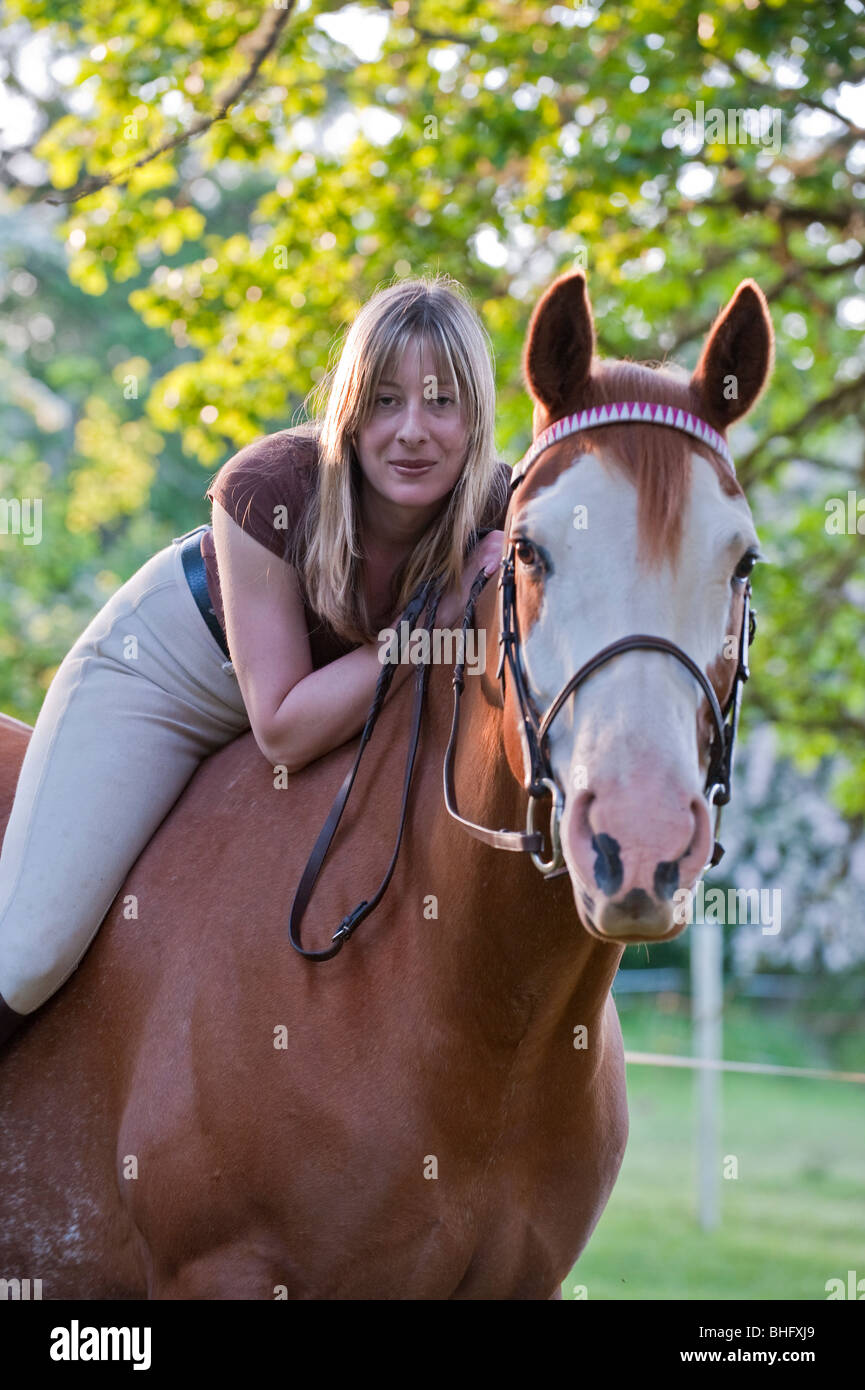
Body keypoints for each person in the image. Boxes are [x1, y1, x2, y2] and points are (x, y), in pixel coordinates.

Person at [0, 275, 510, 1049]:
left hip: (346, 705)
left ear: (475, 416)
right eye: (384, 400)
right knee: (30, 954)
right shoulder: (270, 484)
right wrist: (434, 617)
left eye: (441, 401)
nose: (412, 430)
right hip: (172, 678)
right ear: (348, 410)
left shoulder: (496, 512)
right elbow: (281, 728)